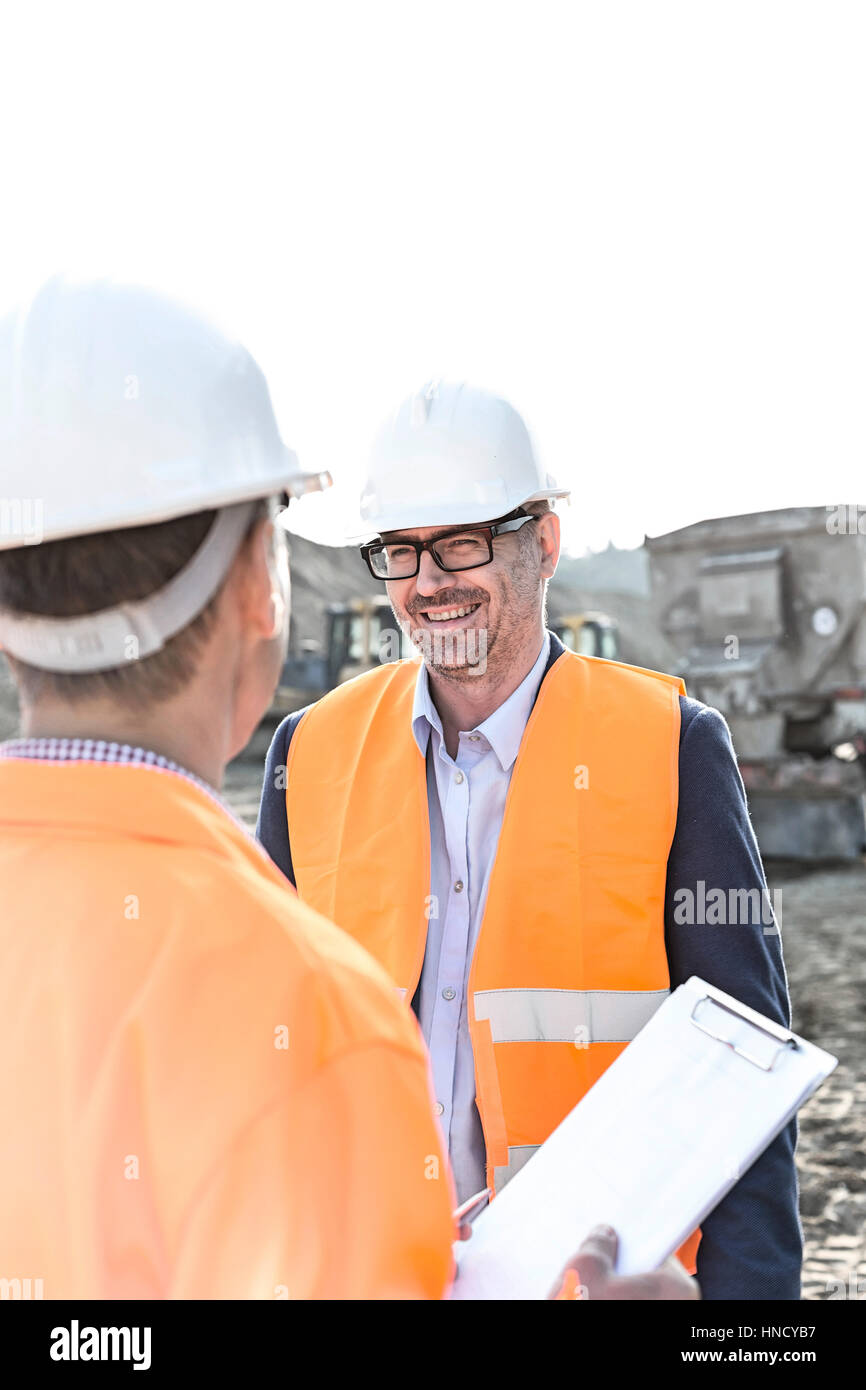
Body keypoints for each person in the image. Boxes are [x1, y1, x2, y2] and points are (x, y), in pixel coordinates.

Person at [258, 379, 802, 1299]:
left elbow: (740, 1070)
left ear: (542, 543)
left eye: (462, 543)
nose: (429, 582)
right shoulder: (308, 754)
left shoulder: (671, 744)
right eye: (400, 551)